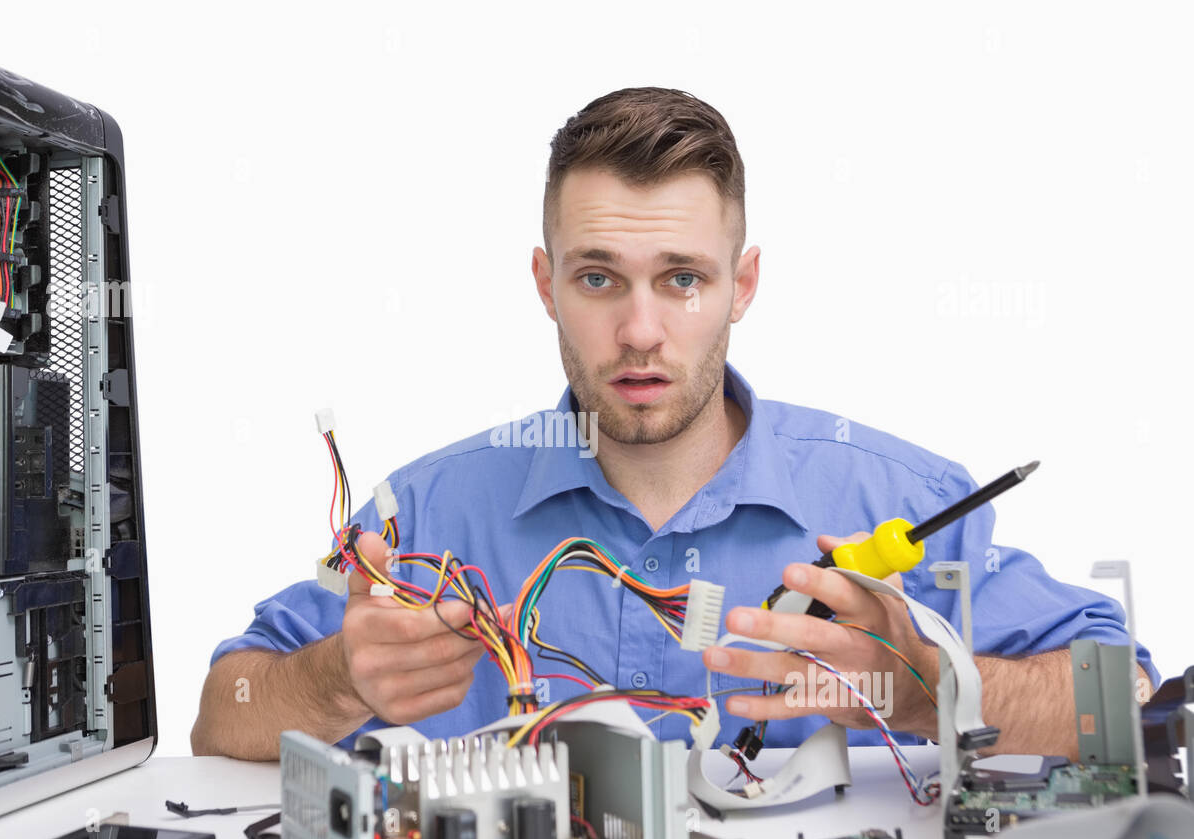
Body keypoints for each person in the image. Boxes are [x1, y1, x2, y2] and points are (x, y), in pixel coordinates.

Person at [190, 87, 1156, 763]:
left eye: (683, 280)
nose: (641, 332)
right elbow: (220, 713)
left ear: (742, 285)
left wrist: (923, 687)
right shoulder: (432, 510)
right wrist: (334, 681)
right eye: (599, 277)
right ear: (546, 285)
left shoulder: (896, 501)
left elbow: (1132, 700)